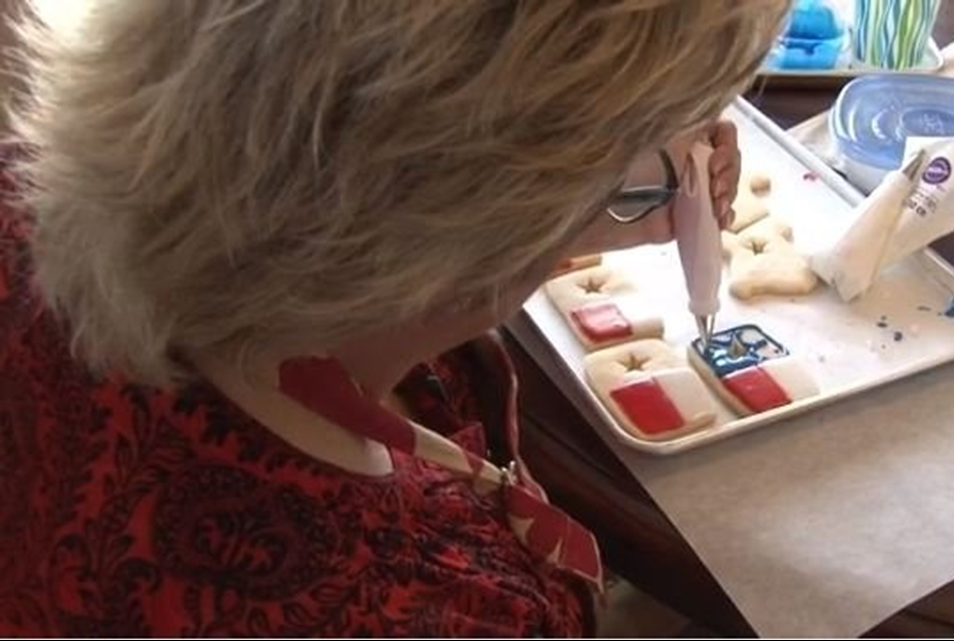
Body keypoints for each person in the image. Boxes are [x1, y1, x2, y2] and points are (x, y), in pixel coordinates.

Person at [0, 0, 788, 635]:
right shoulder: (424, 607)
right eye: (684, 118)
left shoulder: (30, 210)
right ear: (480, 208)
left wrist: (614, 194)